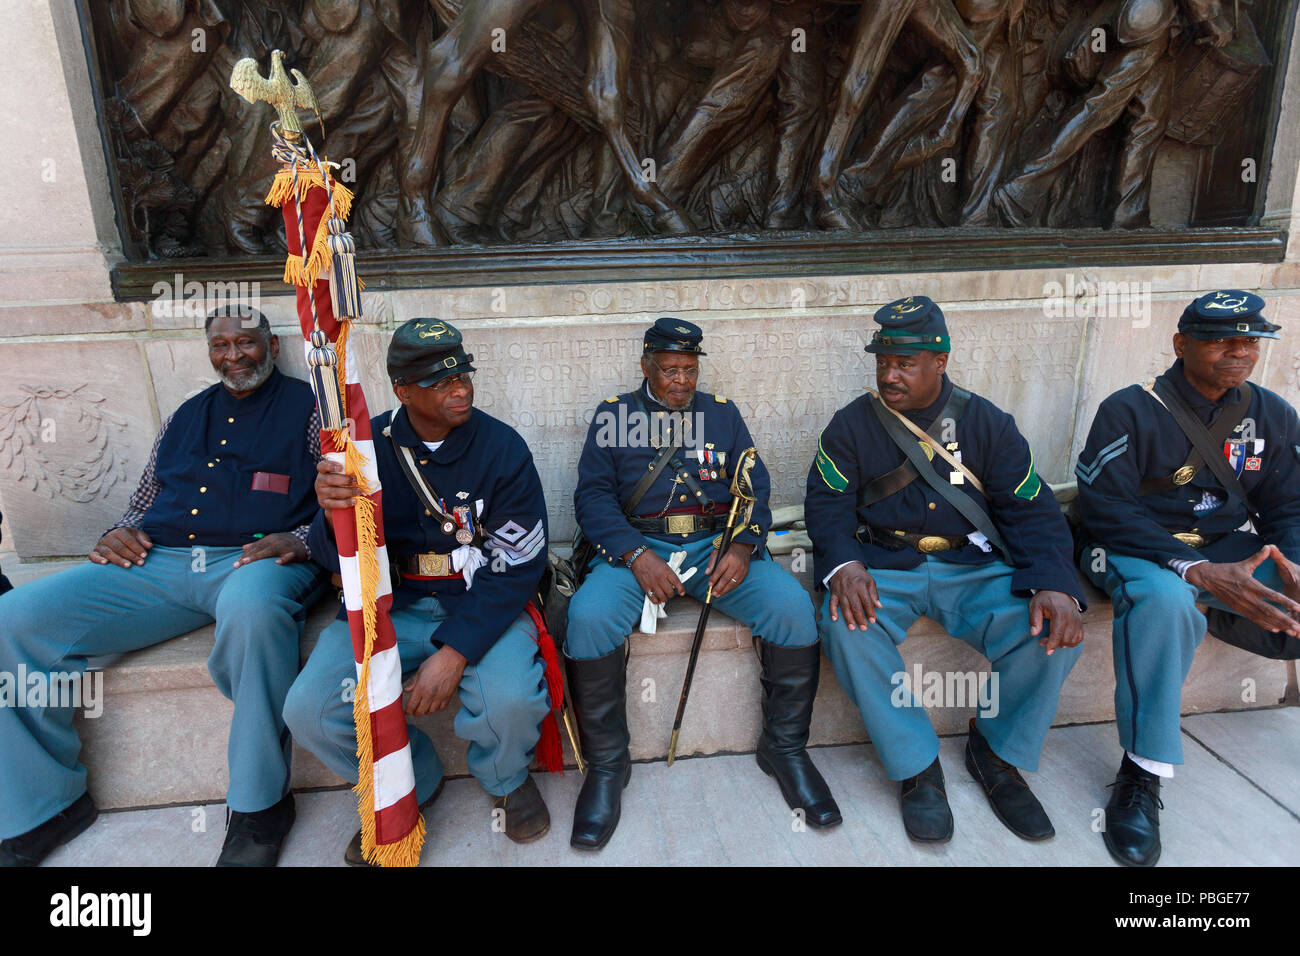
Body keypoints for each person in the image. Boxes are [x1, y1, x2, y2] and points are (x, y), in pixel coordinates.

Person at [0, 306, 326, 867]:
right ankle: (45, 805)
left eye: (245, 343)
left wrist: (301, 538)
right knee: (15, 616)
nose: (233, 356)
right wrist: (118, 531)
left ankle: (259, 807)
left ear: (271, 344)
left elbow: (343, 498)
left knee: (252, 615)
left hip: (257, 559)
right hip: (163, 560)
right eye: (220, 345)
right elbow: (146, 499)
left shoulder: (311, 408)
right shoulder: (185, 414)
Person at [804, 296, 1085, 844]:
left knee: (1055, 630)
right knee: (845, 625)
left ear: (941, 361)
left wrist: (1054, 583)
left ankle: (995, 753)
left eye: (904, 363)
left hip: (972, 567)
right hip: (886, 566)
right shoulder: (852, 425)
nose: (890, 374)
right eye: (883, 361)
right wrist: (843, 564)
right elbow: (826, 504)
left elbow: (1031, 509)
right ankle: (917, 767)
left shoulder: (988, 423)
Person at [563, 317, 841, 851]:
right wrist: (636, 555)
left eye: (689, 369)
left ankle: (784, 749)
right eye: (669, 370)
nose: (681, 381)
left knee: (791, 608)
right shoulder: (614, 416)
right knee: (589, 618)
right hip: (639, 554)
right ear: (646, 365)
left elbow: (754, 485)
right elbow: (592, 499)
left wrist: (742, 545)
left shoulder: (722, 414)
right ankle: (606, 767)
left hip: (715, 550)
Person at [283, 318, 554, 865]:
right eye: (439, 382)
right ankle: (412, 780)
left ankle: (505, 777)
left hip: (479, 597)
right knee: (309, 710)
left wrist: (453, 654)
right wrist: (328, 507)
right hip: (393, 603)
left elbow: (520, 562)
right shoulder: (367, 447)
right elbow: (331, 552)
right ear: (402, 390)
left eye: (463, 377)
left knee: (511, 698)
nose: (459, 390)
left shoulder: (502, 448)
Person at [1074, 289, 1300, 867]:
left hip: (1227, 548)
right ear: (1181, 344)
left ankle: (1224, 605)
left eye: (1251, 340)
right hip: (1138, 548)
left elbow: (1288, 506)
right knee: (1169, 603)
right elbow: (1106, 511)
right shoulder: (1128, 408)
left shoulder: (1271, 413)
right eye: (1223, 340)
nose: (1240, 351)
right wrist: (1197, 569)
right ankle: (1141, 776)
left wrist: (1294, 566)